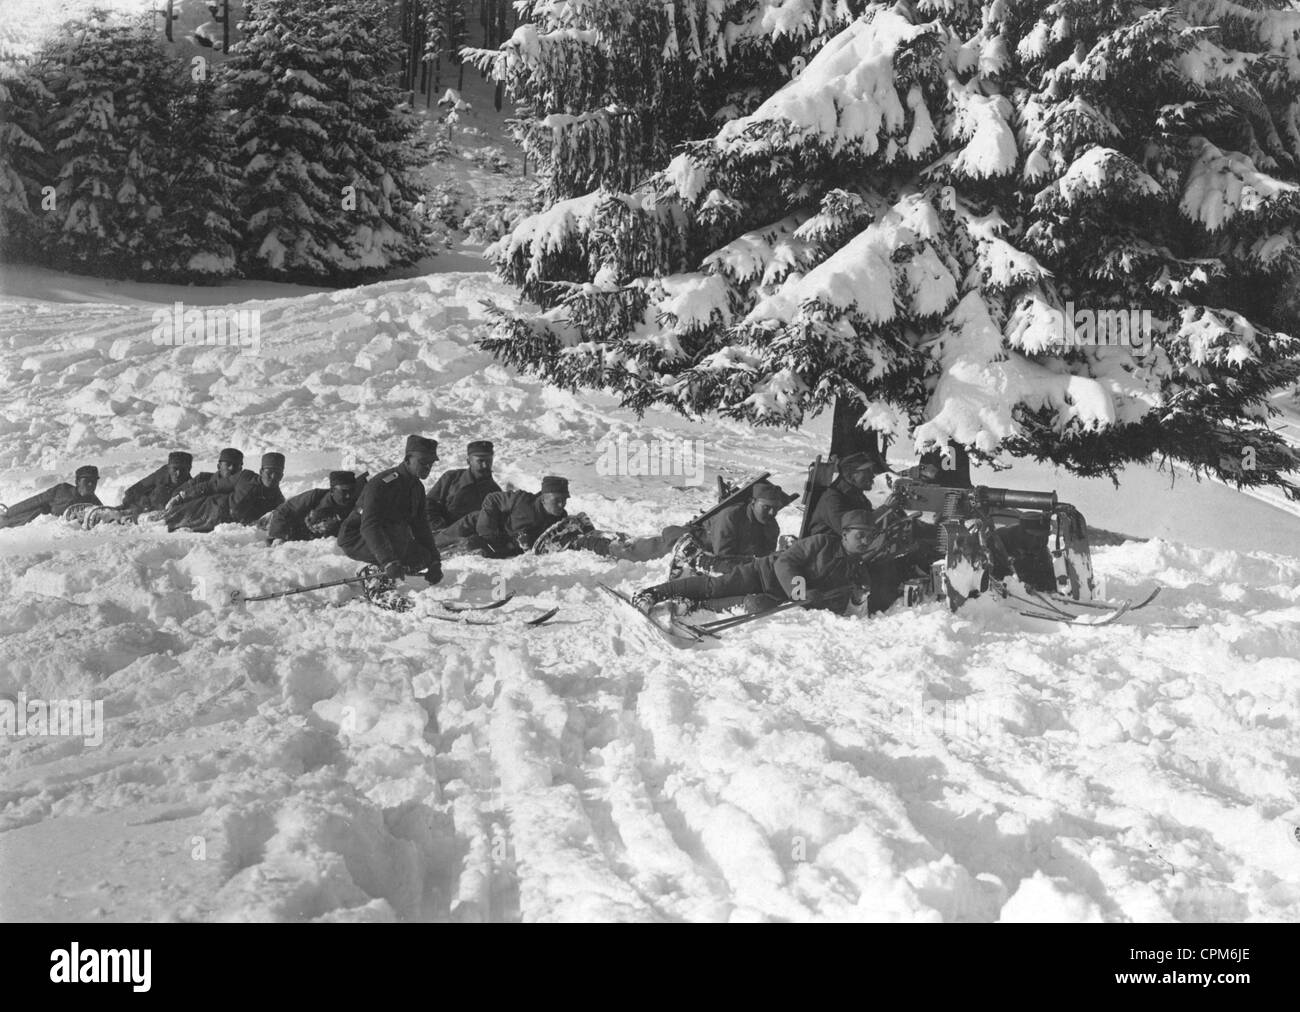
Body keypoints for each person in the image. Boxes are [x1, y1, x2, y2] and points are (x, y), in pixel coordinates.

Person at [632, 509, 884, 615]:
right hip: (763, 574)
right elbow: (786, 563)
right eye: (859, 535)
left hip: (776, 596)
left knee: (755, 605)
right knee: (717, 587)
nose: (864, 541)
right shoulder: (821, 543)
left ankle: (695, 606)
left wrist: (857, 598)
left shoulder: (857, 568)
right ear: (845, 534)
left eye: (869, 537)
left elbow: (849, 609)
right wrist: (802, 592)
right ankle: (652, 593)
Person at [338, 435, 443, 584]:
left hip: (390, 537)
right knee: (397, 547)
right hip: (356, 537)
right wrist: (388, 560)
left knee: (423, 557)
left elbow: (421, 527)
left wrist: (434, 562)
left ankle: (391, 567)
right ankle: (376, 579)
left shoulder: (417, 487)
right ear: (407, 460)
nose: (428, 468)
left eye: (431, 464)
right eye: (423, 462)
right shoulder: (382, 484)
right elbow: (369, 526)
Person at [166, 452, 286, 533]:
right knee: (164, 522)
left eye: (278, 473)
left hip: (224, 527)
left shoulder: (278, 499)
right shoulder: (245, 477)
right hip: (207, 508)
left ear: (282, 476)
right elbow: (213, 486)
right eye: (269, 472)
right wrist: (181, 496)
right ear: (261, 471)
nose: (273, 476)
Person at [266, 471, 362, 544]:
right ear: (332, 490)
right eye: (344, 491)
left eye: (351, 491)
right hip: (279, 524)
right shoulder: (315, 497)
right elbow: (283, 510)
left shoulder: (357, 504)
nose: (348, 496)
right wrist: (278, 536)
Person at [425, 440, 501, 531]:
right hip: (441, 534)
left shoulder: (495, 492)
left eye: (489, 461)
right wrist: (439, 527)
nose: (485, 465)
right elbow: (428, 504)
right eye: (480, 461)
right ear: (469, 461)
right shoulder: (451, 478)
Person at [806, 451, 885, 536]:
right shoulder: (832, 499)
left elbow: (867, 517)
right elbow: (851, 531)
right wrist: (883, 510)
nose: (872, 476)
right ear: (852, 476)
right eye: (867, 471)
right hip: (827, 546)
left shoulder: (855, 495)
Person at [0, 465, 101, 529]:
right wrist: (9, 512)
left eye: (94, 481)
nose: (91, 485)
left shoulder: (94, 501)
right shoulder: (62, 490)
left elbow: (106, 514)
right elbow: (35, 501)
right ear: (77, 481)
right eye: (87, 481)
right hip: (33, 522)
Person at [165, 448, 245, 513]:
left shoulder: (242, 488)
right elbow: (177, 494)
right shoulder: (202, 478)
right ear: (218, 466)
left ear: (241, 468)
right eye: (228, 465)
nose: (232, 468)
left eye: (236, 465)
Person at [117, 452, 193, 515]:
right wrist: (125, 505)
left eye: (183, 470)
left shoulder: (192, 486)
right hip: (141, 508)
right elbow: (137, 488)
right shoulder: (160, 475)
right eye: (175, 469)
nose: (178, 473)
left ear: (189, 469)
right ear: (169, 468)